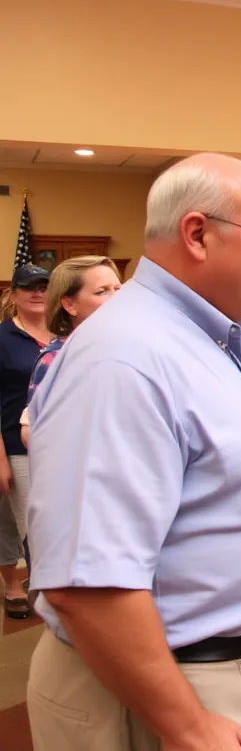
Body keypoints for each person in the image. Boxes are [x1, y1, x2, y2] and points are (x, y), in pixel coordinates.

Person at [25, 153, 241, 750]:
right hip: (171, 693)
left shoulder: (208, 338)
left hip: (228, 674)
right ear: (197, 233)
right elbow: (89, 585)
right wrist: (186, 725)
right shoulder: (126, 356)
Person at [20, 257, 123, 450]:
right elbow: (33, 434)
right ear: (70, 305)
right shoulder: (55, 359)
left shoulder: (132, 347)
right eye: (102, 291)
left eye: (118, 288)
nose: (116, 297)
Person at [0, 263, 50, 620]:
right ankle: (24, 586)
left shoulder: (69, 333)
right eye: (28, 286)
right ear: (13, 293)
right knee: (30, 526)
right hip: (16, 445)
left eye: (43, 285)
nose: (36, 292)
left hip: (61, 443)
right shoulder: (2, 338)